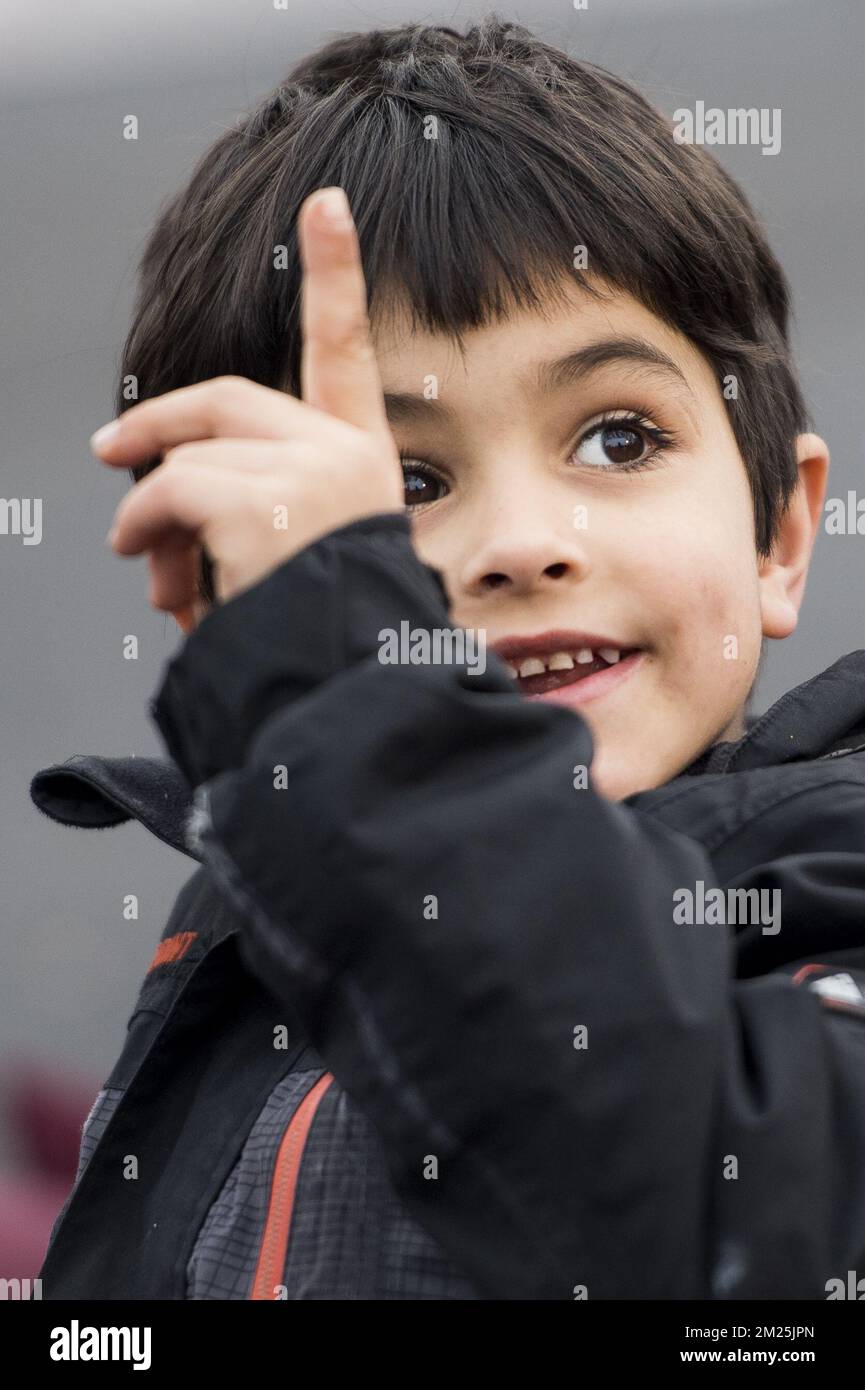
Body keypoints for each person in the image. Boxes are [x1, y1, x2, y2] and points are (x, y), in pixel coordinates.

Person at [30, 16, 865, 1299]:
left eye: (619, 439)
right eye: (403, 482)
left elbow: (710, 1224)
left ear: (780, 534)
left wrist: (368, 717)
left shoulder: (824, 882)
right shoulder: (236, 928)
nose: (523, 544)